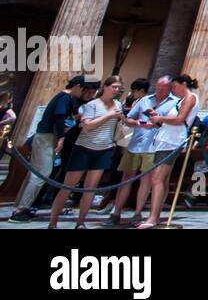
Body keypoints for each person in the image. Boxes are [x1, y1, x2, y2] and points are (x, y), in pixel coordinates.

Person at [48, 77, 124, 229]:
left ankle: (81, 222)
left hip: (104, 148)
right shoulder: (92, 105)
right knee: (68, 186)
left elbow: (119, 123)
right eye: (114, 87)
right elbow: (87, 126)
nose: (116, 90)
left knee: (91, 188)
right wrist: (109, 115)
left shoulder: (118, 104)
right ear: (105, 87)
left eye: (119, 88)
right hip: (84, 147)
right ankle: (53, 222)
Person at [9, 76, 86, 222]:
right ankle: (20, 210)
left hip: (43, 136)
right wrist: (61, 137)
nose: (81, 93)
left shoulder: (61, 97)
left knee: (35, 172)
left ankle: (20, 205)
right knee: (42, 173)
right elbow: (59, 116)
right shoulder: (65, 97)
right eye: (81, 89)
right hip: (47, 137)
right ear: (77, 86)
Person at [109, 74, 174, 226]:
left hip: (154, 146)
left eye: (163, 88)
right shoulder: (145, 100)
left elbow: (173, 125)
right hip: (135, 143)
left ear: (169, 88)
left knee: (146, 180)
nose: (159, 90)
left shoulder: (174, 103)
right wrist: (139, 123)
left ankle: (137, 214)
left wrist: (159, 121)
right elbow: (128, 119)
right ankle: (116, 212)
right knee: (126, 178)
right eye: (158, 87)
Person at [137, 74, 199, 229]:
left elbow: (180, 119)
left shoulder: (190, 97)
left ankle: (152, 218)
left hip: (172, 141)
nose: (173, 90)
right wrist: (157, 118)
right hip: (165, 140)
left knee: (157, 179)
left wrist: (160, 119)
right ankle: (155, 216)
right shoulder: (181, 100)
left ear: (183, 83)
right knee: (162, 180)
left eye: (175, 87)